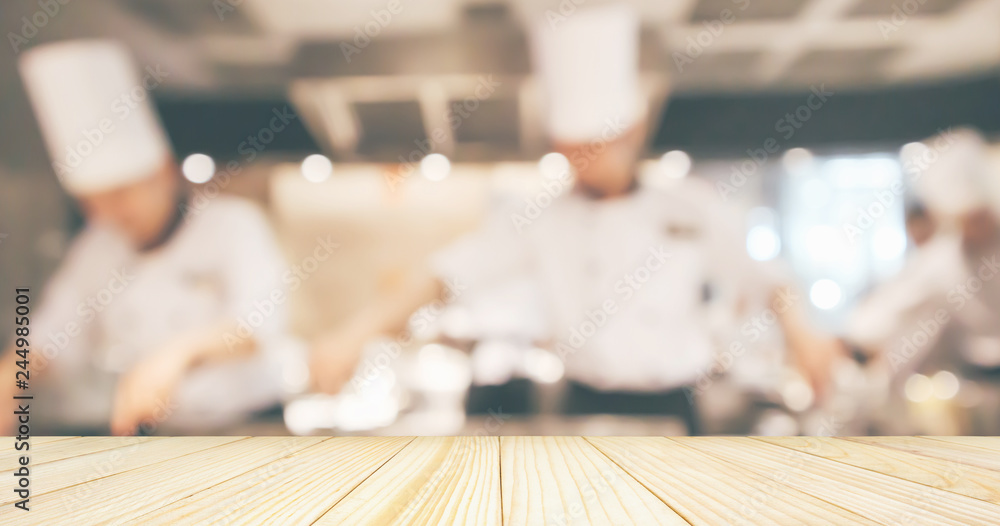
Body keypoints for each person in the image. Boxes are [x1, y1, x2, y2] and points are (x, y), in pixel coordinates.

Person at [310, 5, 833, 434]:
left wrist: (804, 335)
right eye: (570, 151)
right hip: (581, 404)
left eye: (592, 149)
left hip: (675, 408)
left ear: (629, 133)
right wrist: (354, 334)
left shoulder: (689, 206)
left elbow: (767, 280)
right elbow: (444, 276)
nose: (579, 164)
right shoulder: (540, 218)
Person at [0, 40, 301, 435]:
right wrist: (11, 380)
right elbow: (52, 333)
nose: (108, 214)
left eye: (121, 194)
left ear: (162, 171)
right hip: (156, 435)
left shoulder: (233, 224)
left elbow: (258, 321)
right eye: (92, 203)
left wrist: (176, 354)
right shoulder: (97, 248)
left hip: (249, 429)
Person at [844, 129, 1000, 375]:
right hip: (974, 379)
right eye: (965, 220)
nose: (974, 229)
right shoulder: (941, 262)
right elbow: (875, 320)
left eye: (979, 218)